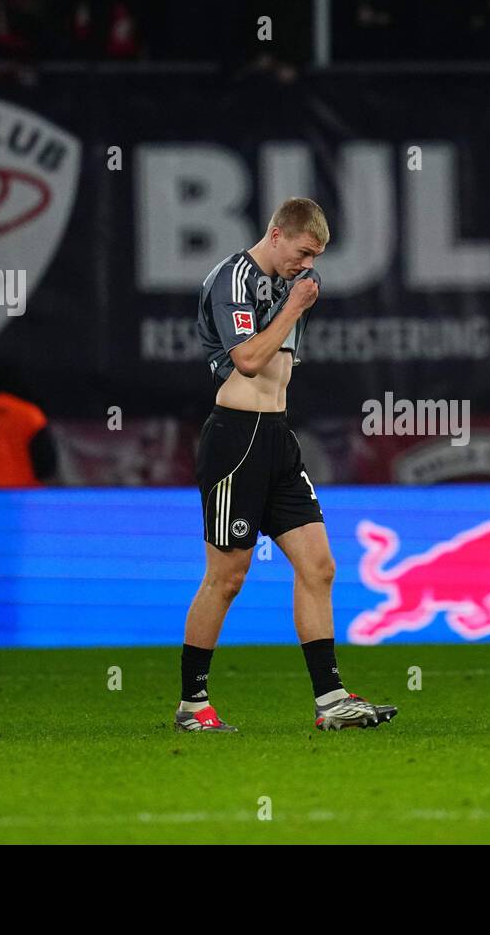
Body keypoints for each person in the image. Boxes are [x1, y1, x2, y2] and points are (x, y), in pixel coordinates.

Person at [178, 197, 397, 733]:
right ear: (276, 235)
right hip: (236, 437)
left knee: (319, 566)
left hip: (276, 436)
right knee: (227, 577)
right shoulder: (233, 278)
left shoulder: (286, 283)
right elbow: (249, 362)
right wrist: (296, 305)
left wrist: (294, 298)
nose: (309, 266)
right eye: (303, 252)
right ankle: (192, 704)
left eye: (316, 257)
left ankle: (332, 700)